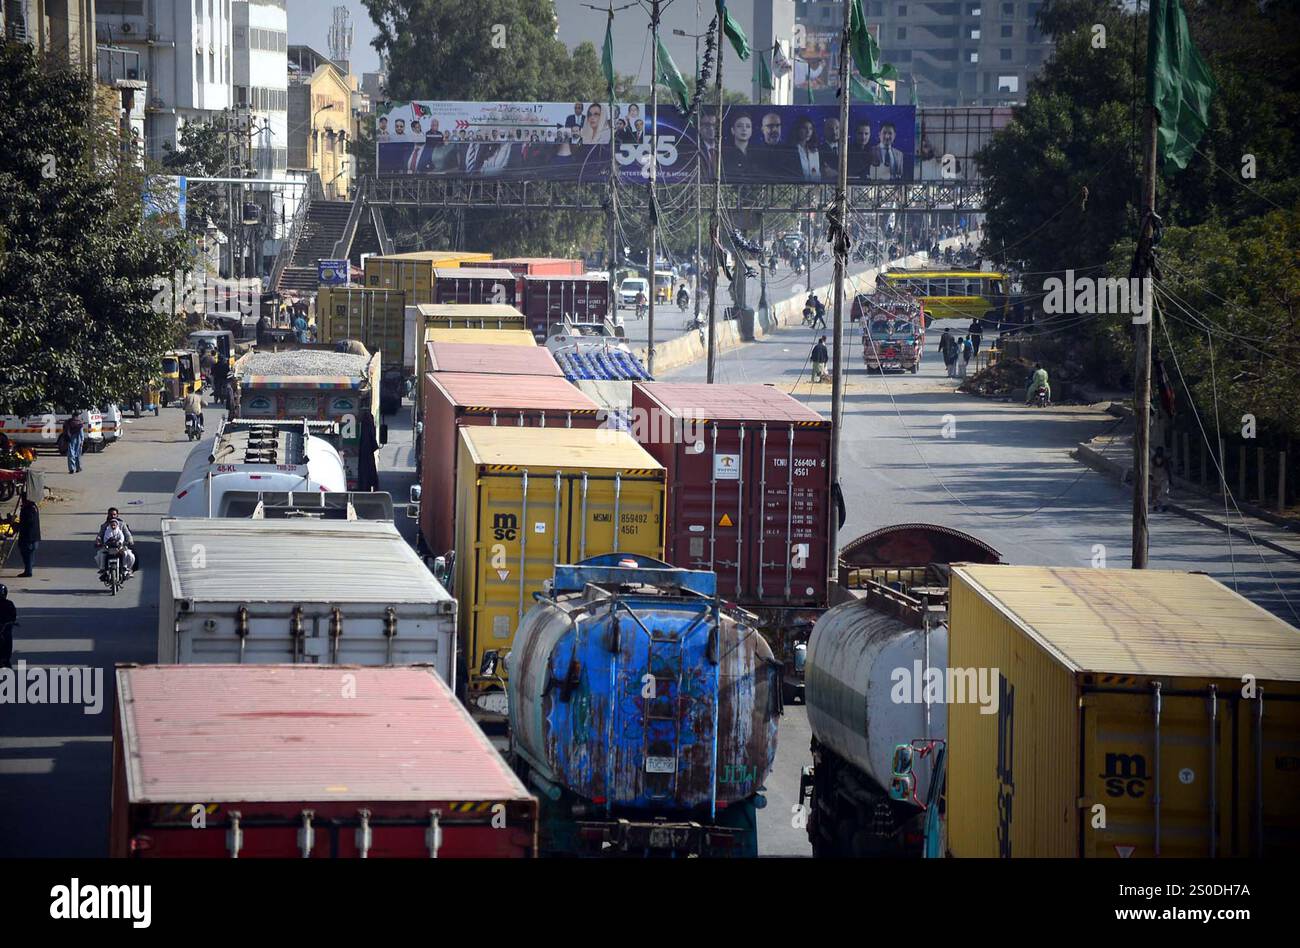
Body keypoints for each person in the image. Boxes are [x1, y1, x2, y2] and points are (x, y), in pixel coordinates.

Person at [17, 494, 39, 577]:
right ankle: (29, 568)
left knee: (27, 554)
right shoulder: (34, 507)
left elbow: (25, 523)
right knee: (29, 554)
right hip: (34, 537)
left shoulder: (28, 509)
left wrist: (16, 525)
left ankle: (28, 571)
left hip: (28, 537)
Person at [1150, 445, 1172, 511]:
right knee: (1155, 492)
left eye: (1161, 451)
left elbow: (1168, 470)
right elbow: (1150, 469)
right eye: (1158, 451)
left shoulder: (1165, 460)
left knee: (1164, 491)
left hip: (1164, 478)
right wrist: (1150, 476)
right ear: (1156, 452)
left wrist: (1170, 479)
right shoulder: (1153, 460)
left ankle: (1164, 505)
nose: (1159, 453)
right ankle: (1155, 505)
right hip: (1155, 478)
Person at [0, 584, 15, 669]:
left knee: (8, 638)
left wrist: (9, 622)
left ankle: (5, 659)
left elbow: (13, 615)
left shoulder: (9, 604)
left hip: (4, 628)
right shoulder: (9, 603)